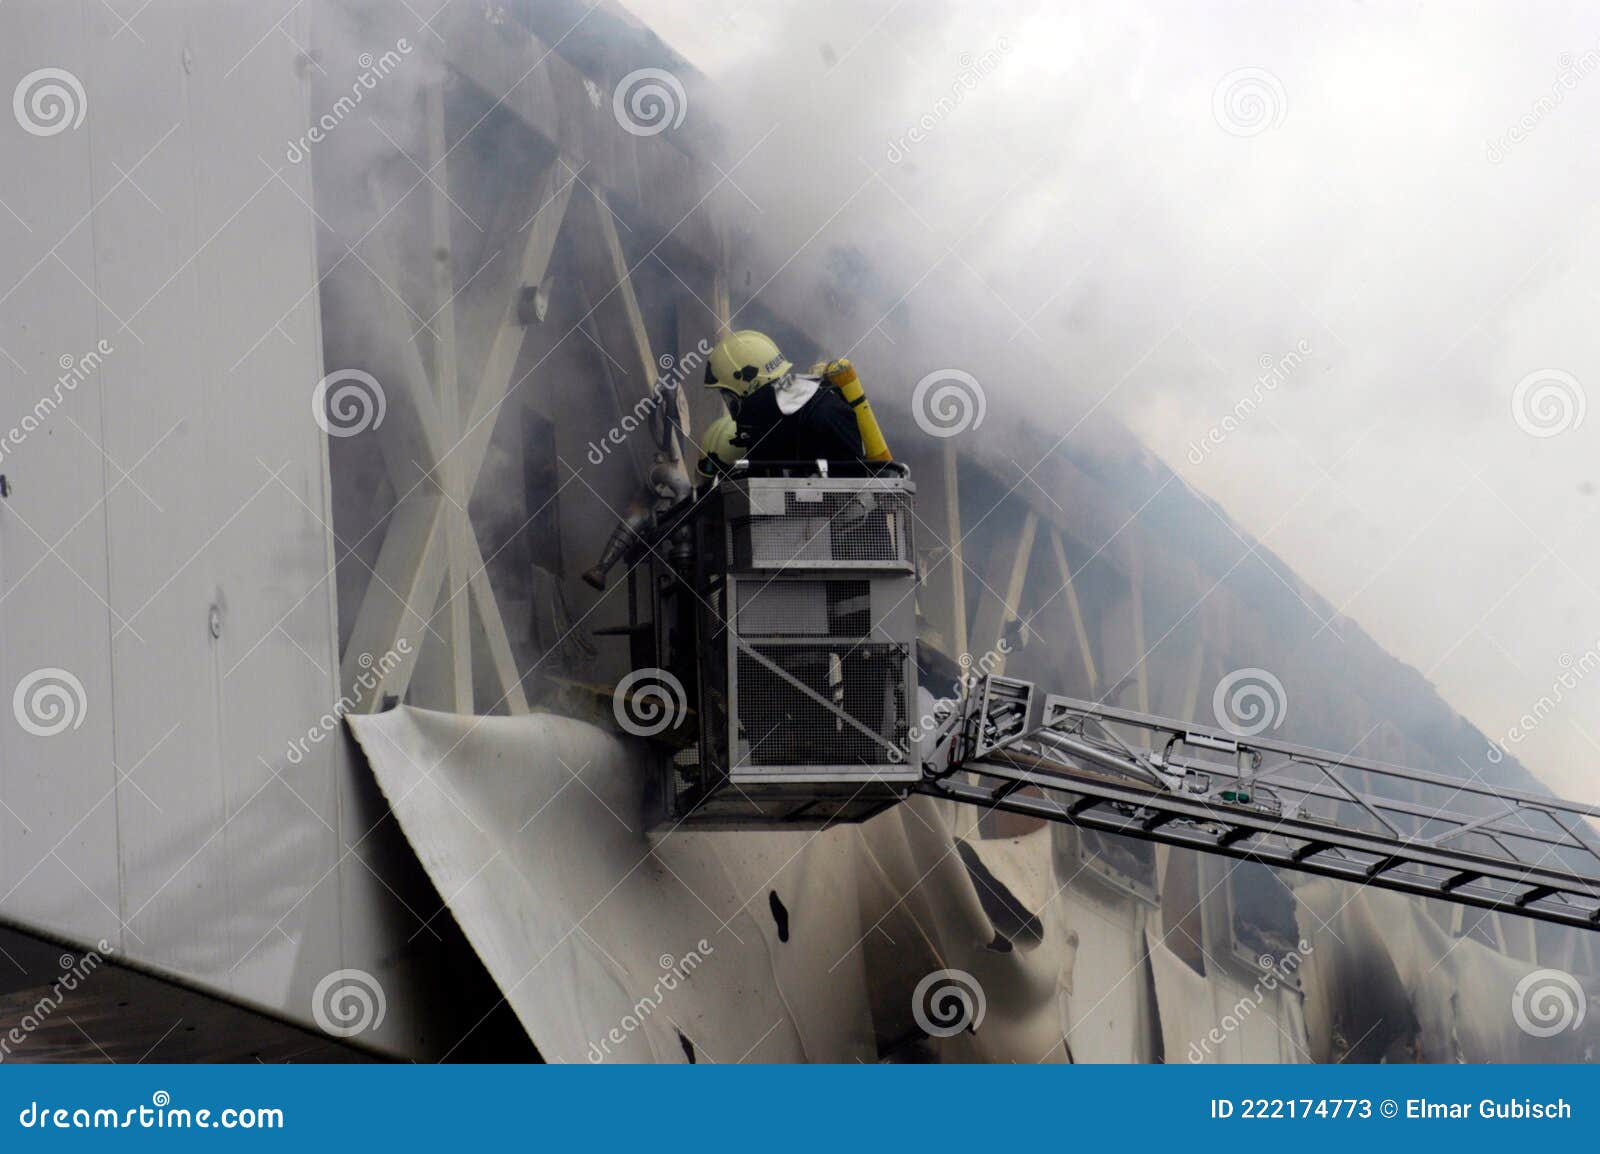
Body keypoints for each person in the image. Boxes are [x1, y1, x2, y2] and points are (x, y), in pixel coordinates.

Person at [702, 330, 864, 463]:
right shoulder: (773, 421)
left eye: (729, 398)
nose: (731, 408)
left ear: (748, 382)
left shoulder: (822, 414)